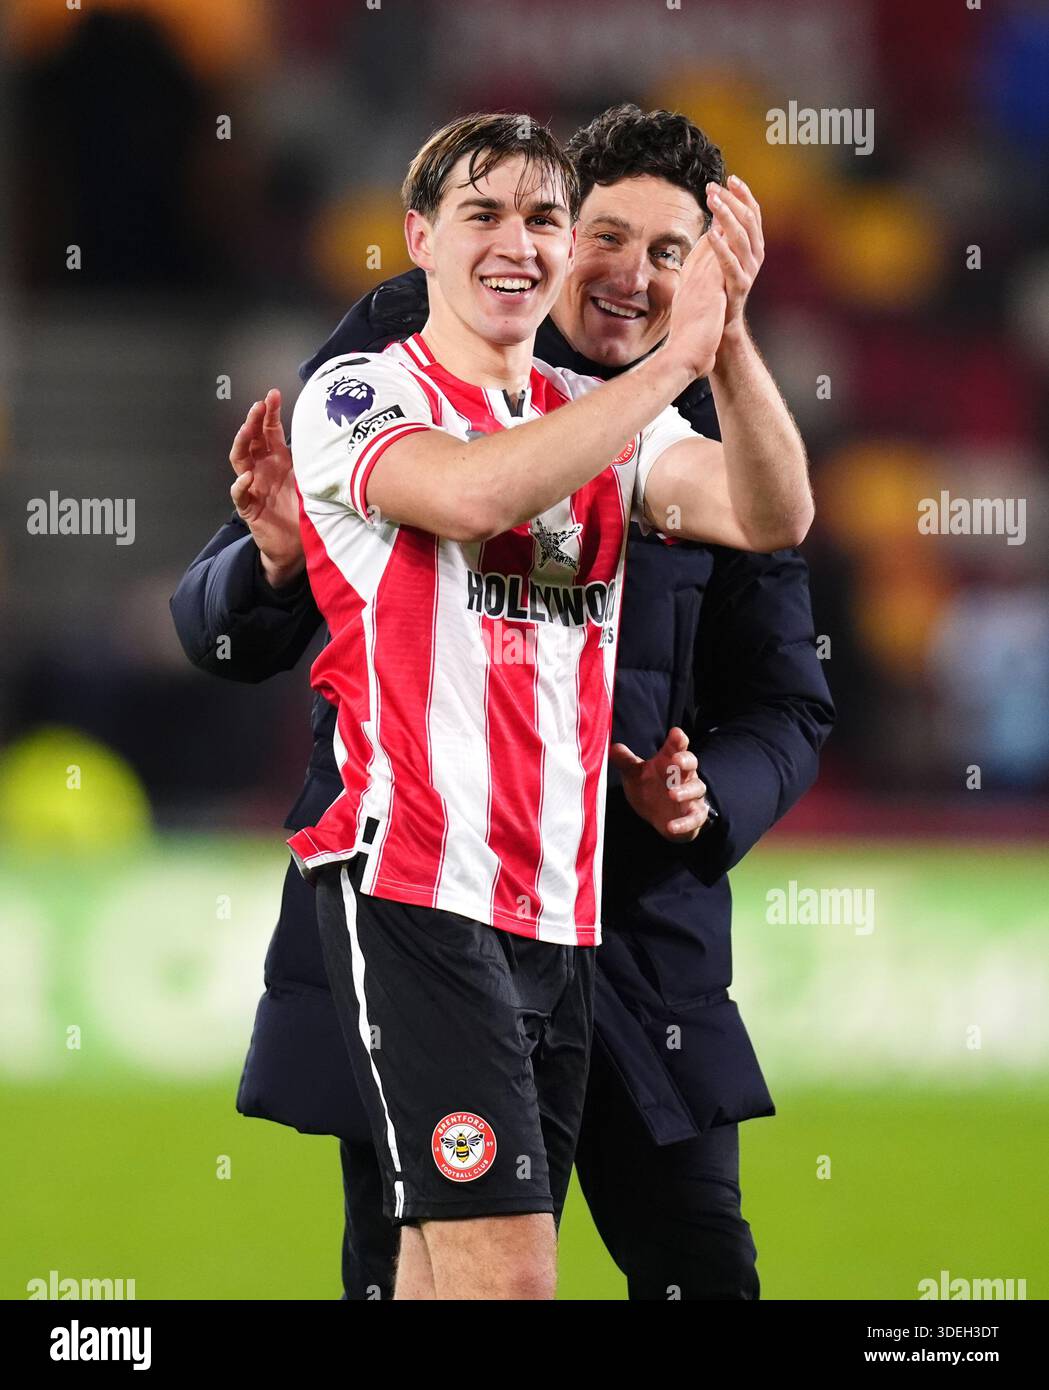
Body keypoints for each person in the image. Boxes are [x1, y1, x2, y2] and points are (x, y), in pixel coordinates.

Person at [172, 106, 828, 1300]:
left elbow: (771, 516)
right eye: (484, 213)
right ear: (418, 237)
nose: (520, 243)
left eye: (539, 217)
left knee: (454, 1270)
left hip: (572, 912)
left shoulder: (613, 420)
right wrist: (676, 363)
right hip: (416, 886)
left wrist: (724, 339)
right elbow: (473, 498)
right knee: (507, 1272)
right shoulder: (361, 391)